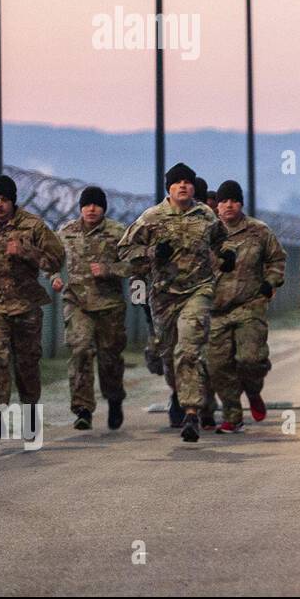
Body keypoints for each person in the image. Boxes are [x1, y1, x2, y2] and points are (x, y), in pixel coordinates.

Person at [119, 163, 231, 443]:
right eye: (177, 182)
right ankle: (179, 393)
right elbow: (124, 251)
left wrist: (226, 255)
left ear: (194, 187)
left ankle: (191, 413)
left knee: (188, 350)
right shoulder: (151, 217)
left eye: (188, 182)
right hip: (164, 295)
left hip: (198, 290)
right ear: (168, 187)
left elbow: (221, 241)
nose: (183, 186)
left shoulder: (205, 214)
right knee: (170, 357)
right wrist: (152, 252)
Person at [0, 174, 65, 437]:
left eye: (4, 200)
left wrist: (25, 251)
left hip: (26, 305)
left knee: (26, 364)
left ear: (13, 202)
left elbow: (56, 259)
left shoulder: (33, 226)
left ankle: (30, 415)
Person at [207, 180, 286, 433]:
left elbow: (276, 259)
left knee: (250, 360)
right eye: (223, 201)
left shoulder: (258, 231)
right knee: (219, 367)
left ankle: (253, 391)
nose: (228, 205)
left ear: (241, 203)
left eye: (233, 200)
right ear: (217, 206)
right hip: (216, 310)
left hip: (249, 305)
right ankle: (232, 415)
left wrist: (270, 282)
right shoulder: (207, 235)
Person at [53, 185, 128, 431]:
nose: (91, 209)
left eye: (96, 204)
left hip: (109, 306)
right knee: (80, 350)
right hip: (77, 304)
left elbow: (135, 264)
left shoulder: (118, 233)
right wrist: (52, 275)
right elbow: (49, 257)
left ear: (103, 208)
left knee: (109, 358)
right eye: (86, 204)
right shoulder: (66, 232)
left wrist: (109, 270)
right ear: (80, 208)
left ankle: (114, 398)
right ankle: (83, 409)